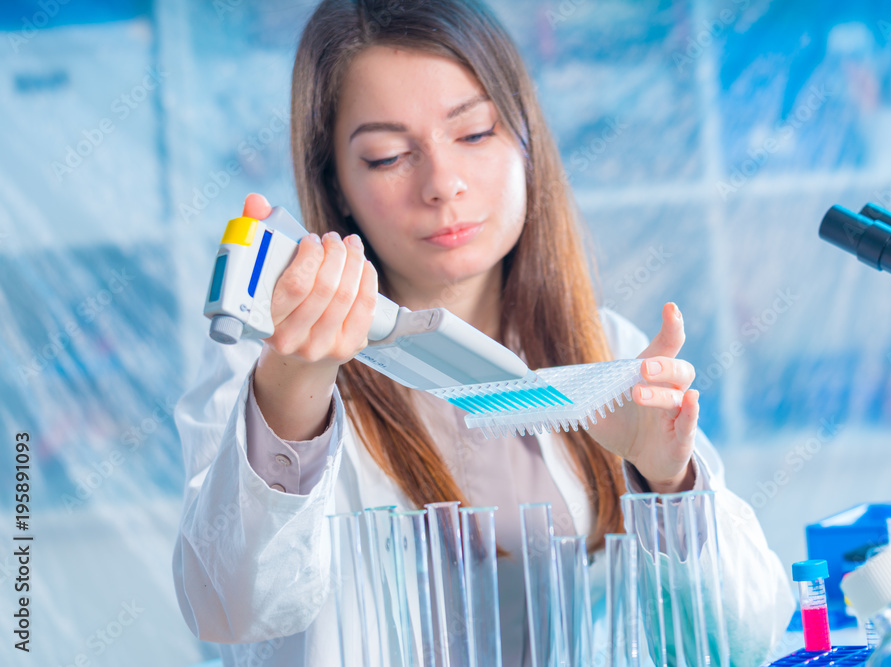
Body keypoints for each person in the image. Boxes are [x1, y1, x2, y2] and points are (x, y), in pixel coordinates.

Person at [172, 0, 795, 665]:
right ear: (337, 183)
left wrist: (669, 484)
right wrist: (293, 389)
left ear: (527, 137)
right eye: (386, 156)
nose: (443, 185)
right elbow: (232, 608)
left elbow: (738, 643)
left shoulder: (606, 353)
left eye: (473, 134)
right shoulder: (274, 370)